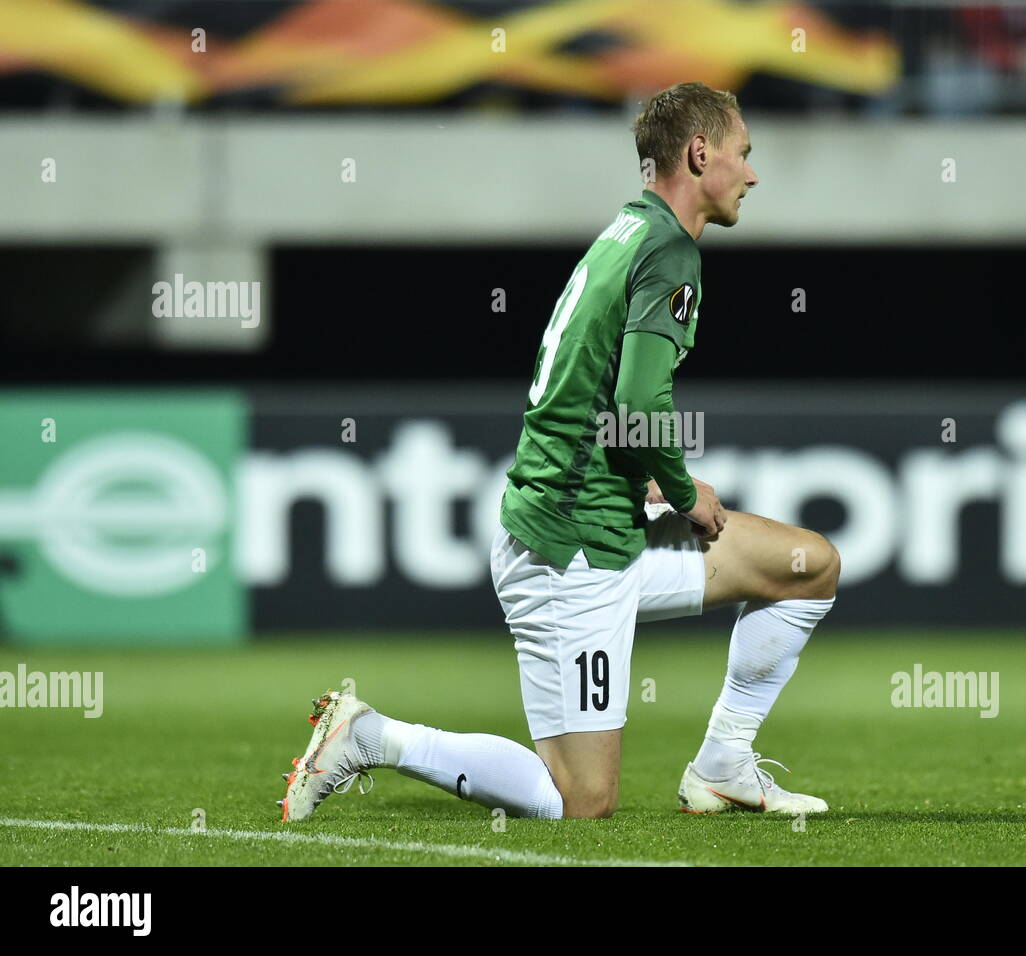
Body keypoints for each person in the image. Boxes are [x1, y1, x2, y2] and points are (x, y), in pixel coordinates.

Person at [279, 82, 840, 824]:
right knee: (582, 802)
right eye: (744, 153)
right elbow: (640, 403)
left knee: (808, 568)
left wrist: (634, 474)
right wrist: (679, 490)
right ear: (701, 153)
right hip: (571, 557)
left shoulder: (627, 235)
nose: (752, 173)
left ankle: (724, 766)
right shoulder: (669, 253)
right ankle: (372, 736)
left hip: (601, 530)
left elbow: (589, 389)